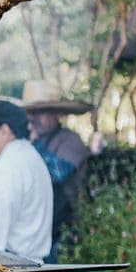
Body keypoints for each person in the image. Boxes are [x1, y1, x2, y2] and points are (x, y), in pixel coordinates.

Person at [21, 80, 92, 262]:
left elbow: (55, 174)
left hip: (64, 230)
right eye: (31, 112)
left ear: (58, 113)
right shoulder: (28, 142)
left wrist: (33, 143)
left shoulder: (70, 141)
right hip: (37, 228)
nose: (33, 117)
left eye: (41, 111)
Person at [0, 100, 53, 262]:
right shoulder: (32, 157)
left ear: (4, 130)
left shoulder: (3, 170)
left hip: (12, 270)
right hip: (35, 265)